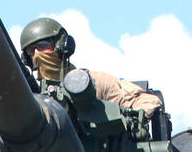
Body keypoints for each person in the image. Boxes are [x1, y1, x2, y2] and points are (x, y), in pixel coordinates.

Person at [19, 17, 163, 118]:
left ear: (62, 46)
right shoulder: (31, 98)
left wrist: (116, 118)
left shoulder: (96, 82)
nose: (37, 55)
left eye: (42, 47)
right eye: (31, 52)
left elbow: (148, 102)